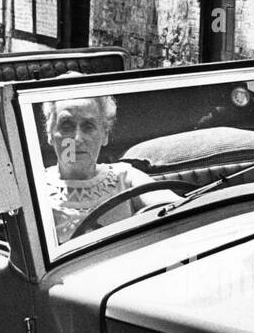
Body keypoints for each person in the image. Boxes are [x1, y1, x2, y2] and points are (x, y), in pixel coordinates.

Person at [42, 87, 170, 244]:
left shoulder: (125, 177)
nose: (77, 139)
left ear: (104, 135)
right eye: (66, 126)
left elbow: (179, 211)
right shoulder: (36, 191)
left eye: (88, 126)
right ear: (50, 134)